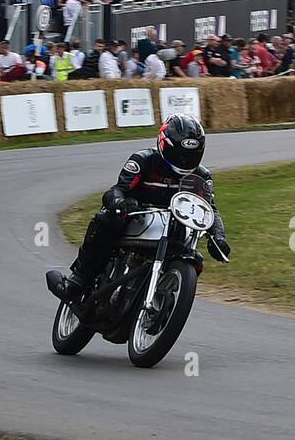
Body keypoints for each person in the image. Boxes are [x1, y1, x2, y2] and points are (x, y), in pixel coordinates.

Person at [46, 114, 232, 302]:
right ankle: (78, 279)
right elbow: (116, 190)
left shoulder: (201, 177)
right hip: (135, 216)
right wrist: (120, 203)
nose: (184, 161)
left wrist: (219, 237)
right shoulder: (144, 160)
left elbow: (209, 210)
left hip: (173, 227)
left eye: (191, 156)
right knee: (106, 220)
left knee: (194, 258)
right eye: (179, 154)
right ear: (164, 143)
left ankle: (163, 298)